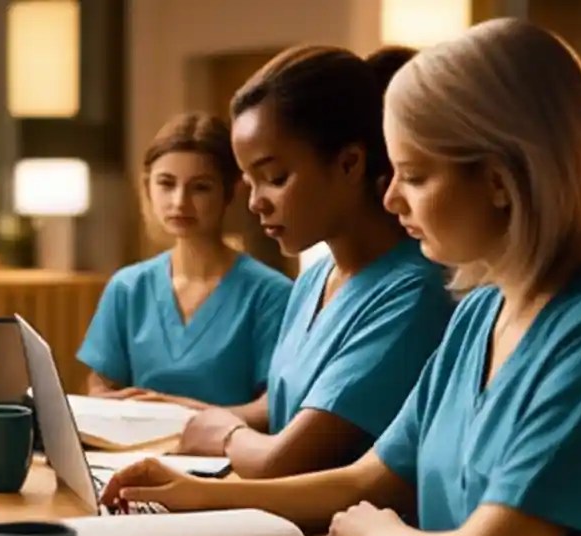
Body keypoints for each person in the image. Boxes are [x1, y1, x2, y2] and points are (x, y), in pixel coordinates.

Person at [103, 19, 581, 536]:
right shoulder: (481, 313)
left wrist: (377, 534)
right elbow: (370, 477)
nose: (391, 200)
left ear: (499, 182)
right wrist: (196, 494)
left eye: (415, 177)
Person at [175, 44, 453, 478]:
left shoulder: (414, 292)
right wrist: (186, 414)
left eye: (275, 178)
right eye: (249, 181)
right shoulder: (315, 277)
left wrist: (226, 435)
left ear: (348, 164)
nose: (255, 204)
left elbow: (286, 461)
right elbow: (287, 402)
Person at [78, 113, 291, 408]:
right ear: (148, 187)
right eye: (166, 184)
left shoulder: (271, 295)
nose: (180, 202)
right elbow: (100, 384)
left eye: (200, 187)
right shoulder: (128, 287)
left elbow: (274, 406)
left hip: (228, 451)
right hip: (136, 451)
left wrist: (178, 411)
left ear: (230, 192)